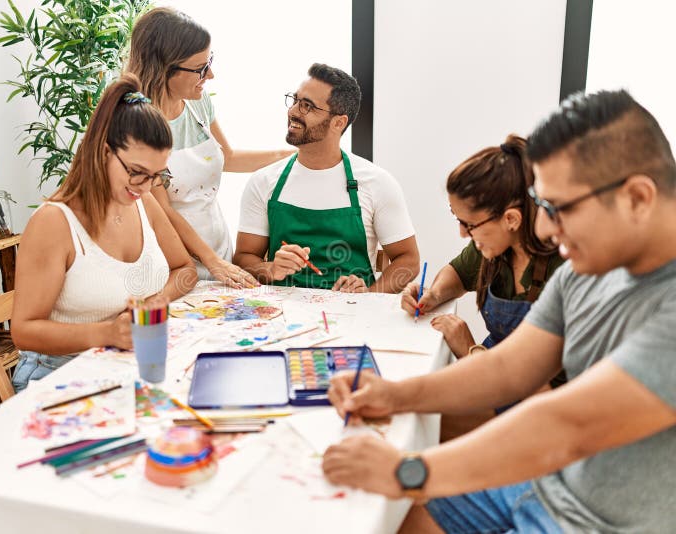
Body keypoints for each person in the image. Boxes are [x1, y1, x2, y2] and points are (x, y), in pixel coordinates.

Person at [321, 89, 676, 533]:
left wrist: (406, 470)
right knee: (389, 517)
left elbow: (567, 425)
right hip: (543, 483)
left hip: (601, 522)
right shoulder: (583, 271)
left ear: (637, 198)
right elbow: (507, 369)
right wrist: (394, 394)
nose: (543, 226)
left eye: (559, 208)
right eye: (541, 204)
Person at [11, 74, 198, 391]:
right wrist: (108, 333)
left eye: (156, 175)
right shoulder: (55, 223)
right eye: (137, 172)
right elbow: (24, 331)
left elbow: (185, 269)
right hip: (58, 373)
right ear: (103, 152)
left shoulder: (143, 204)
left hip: (121, 366)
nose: (145, 187)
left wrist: (153, 304)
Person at [125, 8, 293, 287]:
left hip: (218, 249)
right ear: (165, 68)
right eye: (201, 68)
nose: (211, 74)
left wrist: (292, 155)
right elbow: (163, 211)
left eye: (210, 61)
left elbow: (229, 158)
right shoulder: (137, 124)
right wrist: (212, 261)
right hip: (173, 262)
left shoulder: (197, 103)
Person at [233, 63, 420, 293]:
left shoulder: (377, 183)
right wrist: (271, 269)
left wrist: (370, 294)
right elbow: (243, 257)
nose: (293, 112)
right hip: (282, 313)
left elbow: (408, 260)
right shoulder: (263, 181)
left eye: (307, 106)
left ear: (339, 122)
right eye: (295, 100)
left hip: (353, 312)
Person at [402, 135, 565, 379]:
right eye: (458, 220)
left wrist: (470, 350)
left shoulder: (563, 271)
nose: (462, 233)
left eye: (469, 224)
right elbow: (457, 274)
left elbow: (533, 383)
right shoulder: (494, 250)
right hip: (494, 370)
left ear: (511, 219)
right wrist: (434, 294)